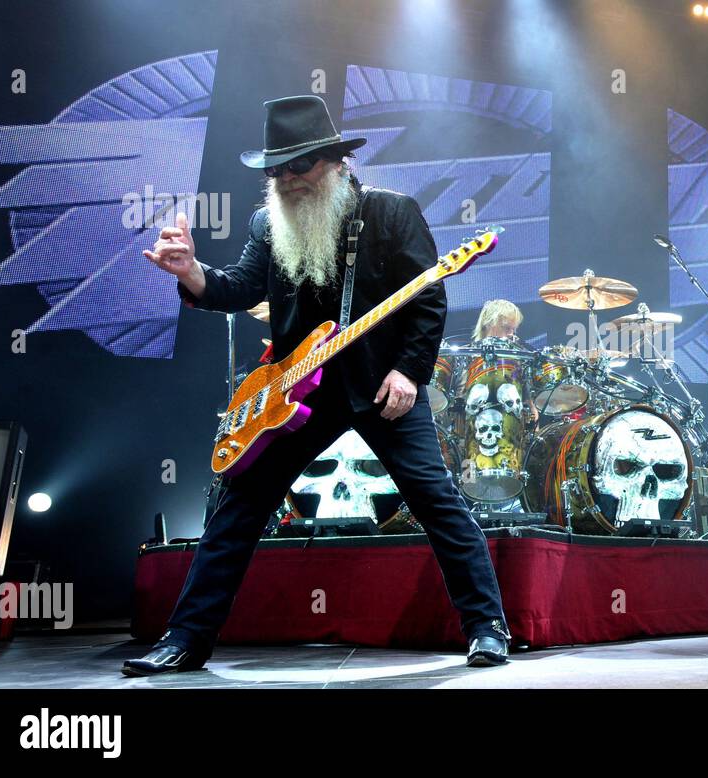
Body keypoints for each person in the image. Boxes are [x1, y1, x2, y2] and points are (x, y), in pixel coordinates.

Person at [127, 95, 511, 675]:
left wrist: (409, 371)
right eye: (277, 170)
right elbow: (237, 288)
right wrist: (191, 273)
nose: (287, 179)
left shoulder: (390, 212)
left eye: (300, 165)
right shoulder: (266, 223)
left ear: (336, 163)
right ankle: (185, 638)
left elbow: (428, 299)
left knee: (436, 501)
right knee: (239, 508)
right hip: (294, 395)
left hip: (382, 387)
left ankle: (486, 627)